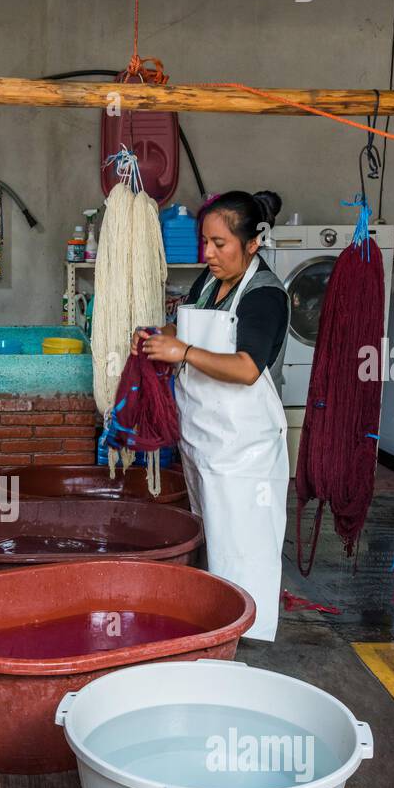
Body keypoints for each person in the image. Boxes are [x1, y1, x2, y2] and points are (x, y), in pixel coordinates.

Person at [135, 190, 290, 642]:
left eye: (220, 244)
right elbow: (184, 325)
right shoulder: (211, 279)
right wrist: (154, 338)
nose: (208, 253)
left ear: (253, 243)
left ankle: (246, 635)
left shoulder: (265, 295)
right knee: (214, 540)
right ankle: (217, 627)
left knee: (243, 547)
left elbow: (245, 368)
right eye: (206, 241)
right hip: (205, 438)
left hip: (243, 447)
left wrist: (180, 351)